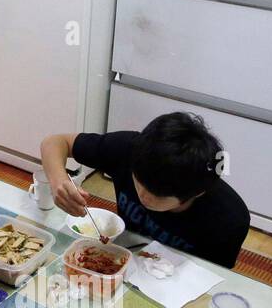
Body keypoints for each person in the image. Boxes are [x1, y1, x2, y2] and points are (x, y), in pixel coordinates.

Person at [39, 112, 250, 268]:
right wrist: (59, 181)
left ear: (196, 193)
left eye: (158, 195)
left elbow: (214, 280)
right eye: (139, 181)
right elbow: (55, 142)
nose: (144, 196)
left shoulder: (229, 219)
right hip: (123, 259)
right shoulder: (129, 149)